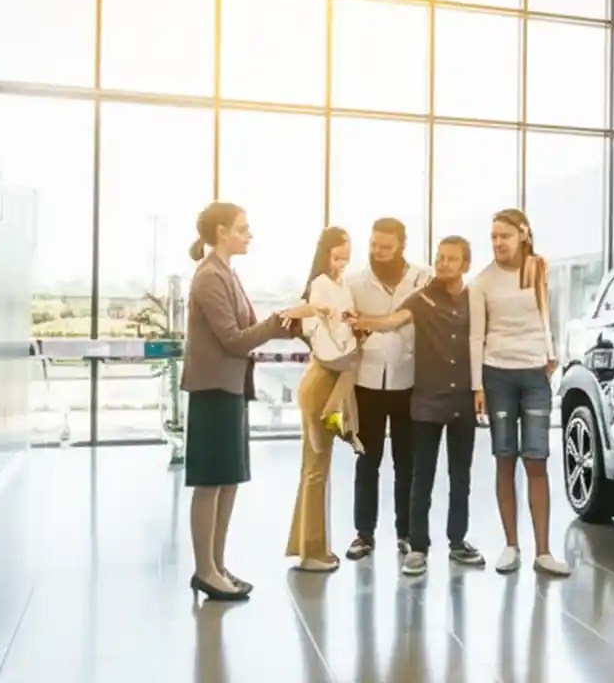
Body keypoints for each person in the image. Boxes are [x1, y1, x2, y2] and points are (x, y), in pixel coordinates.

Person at [182, 201, 314, 601]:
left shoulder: (227, 275)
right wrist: (280, 320)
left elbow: (246, 330)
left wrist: (292, 325)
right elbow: (234, 339)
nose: (249, 234)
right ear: (221, 231)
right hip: (214, 389)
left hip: (232, 387)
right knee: (210, 482)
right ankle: (205, 570)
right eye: (242, 228)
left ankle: (217, 566)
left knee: (229, 481)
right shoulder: (209, 278)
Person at [355, 236, 485, 576]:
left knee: (461, 476)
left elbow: (489, 341)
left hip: (463, 404)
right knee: (421, 477)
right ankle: (418, 547)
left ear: (465, 265)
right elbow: (390, 321)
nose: (442, 264)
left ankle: (458, 541)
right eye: (440, 258)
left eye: (451, 259)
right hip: (426, 402)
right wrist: (354, 319)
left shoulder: (477, 299)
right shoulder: (422, 297)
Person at [470, 209, 570, 576]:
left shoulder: (537, 268)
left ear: (523, 235)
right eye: (493, 236)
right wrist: (476, 385)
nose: (497, 243)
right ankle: (511, 546)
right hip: (497, 376)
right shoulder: (481, 282)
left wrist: (551, 352)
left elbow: (548, 313)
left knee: (536, 460)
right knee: (505, 458)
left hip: (534, 376)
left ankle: (543, 552)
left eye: (504, 236)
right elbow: (475, 336)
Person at [345, 218, 432, 561]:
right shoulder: (355, 282)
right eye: (374, 245)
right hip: (366, 383)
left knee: (406, 462)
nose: (378, 252)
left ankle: (406, 533)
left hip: (409, 381)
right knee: (367, 460)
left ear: (401, 245)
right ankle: (363, 534)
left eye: (386, 246)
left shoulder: (422, 278)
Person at [286, 227, 360, 573]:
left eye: (346, 256)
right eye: (337, 256)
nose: (342, 263)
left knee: (318, 467)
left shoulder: (342, 285)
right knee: (315, 468)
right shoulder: (320, 285)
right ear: (325, 254)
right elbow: (319, 332)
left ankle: (310, 545)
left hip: (336, 379)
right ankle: (311, 551)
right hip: (322, 380)